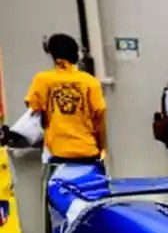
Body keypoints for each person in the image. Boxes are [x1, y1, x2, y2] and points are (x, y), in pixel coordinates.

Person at [25, 33, 107, 171]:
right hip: (88, 152)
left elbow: (34, 111)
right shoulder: (90, 82)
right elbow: (99, 119)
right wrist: (102, 148)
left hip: (58, 154)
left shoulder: (42, 80)